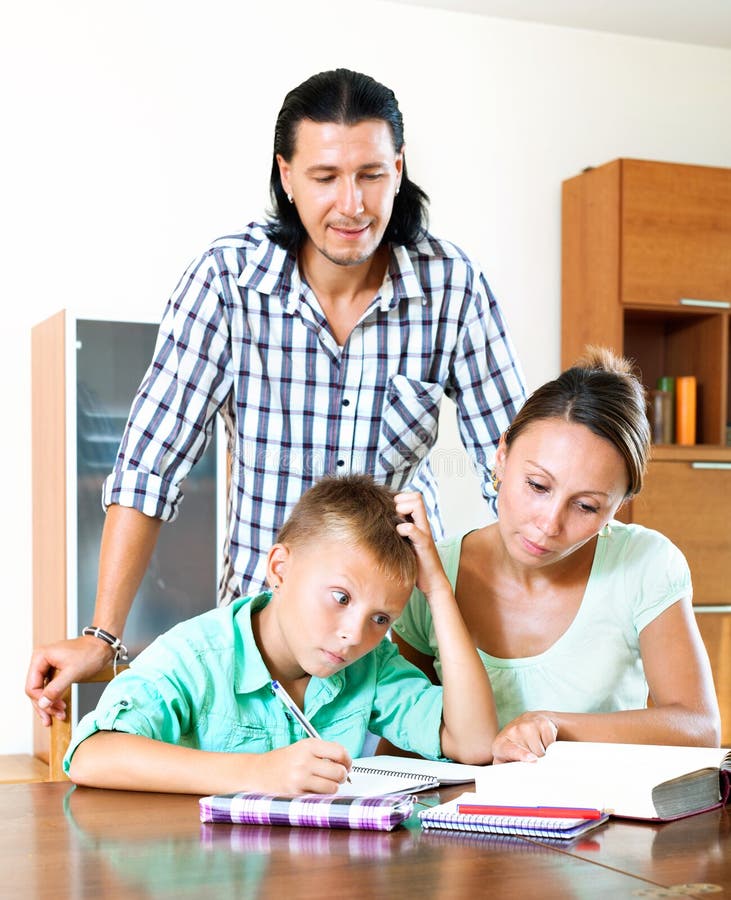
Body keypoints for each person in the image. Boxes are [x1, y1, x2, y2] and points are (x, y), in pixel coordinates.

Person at [27, 67, 525, 724]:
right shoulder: (227, 280)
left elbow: (514, 469)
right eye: (325, 177)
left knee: (405, 789)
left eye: (371, 174)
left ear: (399, 169)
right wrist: (103, 636)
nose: (352, 204)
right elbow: (151, 462)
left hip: (391, 641)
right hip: (260, 640)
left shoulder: (452, 287)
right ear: (286, 176)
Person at [387, 347, 721, 764]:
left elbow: (699, 728)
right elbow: (402, 746)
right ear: (502, 455)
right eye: (538, 486)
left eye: (586, 506)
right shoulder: (432, 575)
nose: (549, 524)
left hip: (602, 806)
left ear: (619, 506)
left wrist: (554, 726)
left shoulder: (644, 564)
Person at [65, 475, 497, 794]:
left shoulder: (372, 666)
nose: (354, 635)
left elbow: (473, 742)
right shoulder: (199, 655)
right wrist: (258, 773)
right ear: (280, 569)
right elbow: (91, 754)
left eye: (381, 619)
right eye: (341, 598)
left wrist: (437, 589)